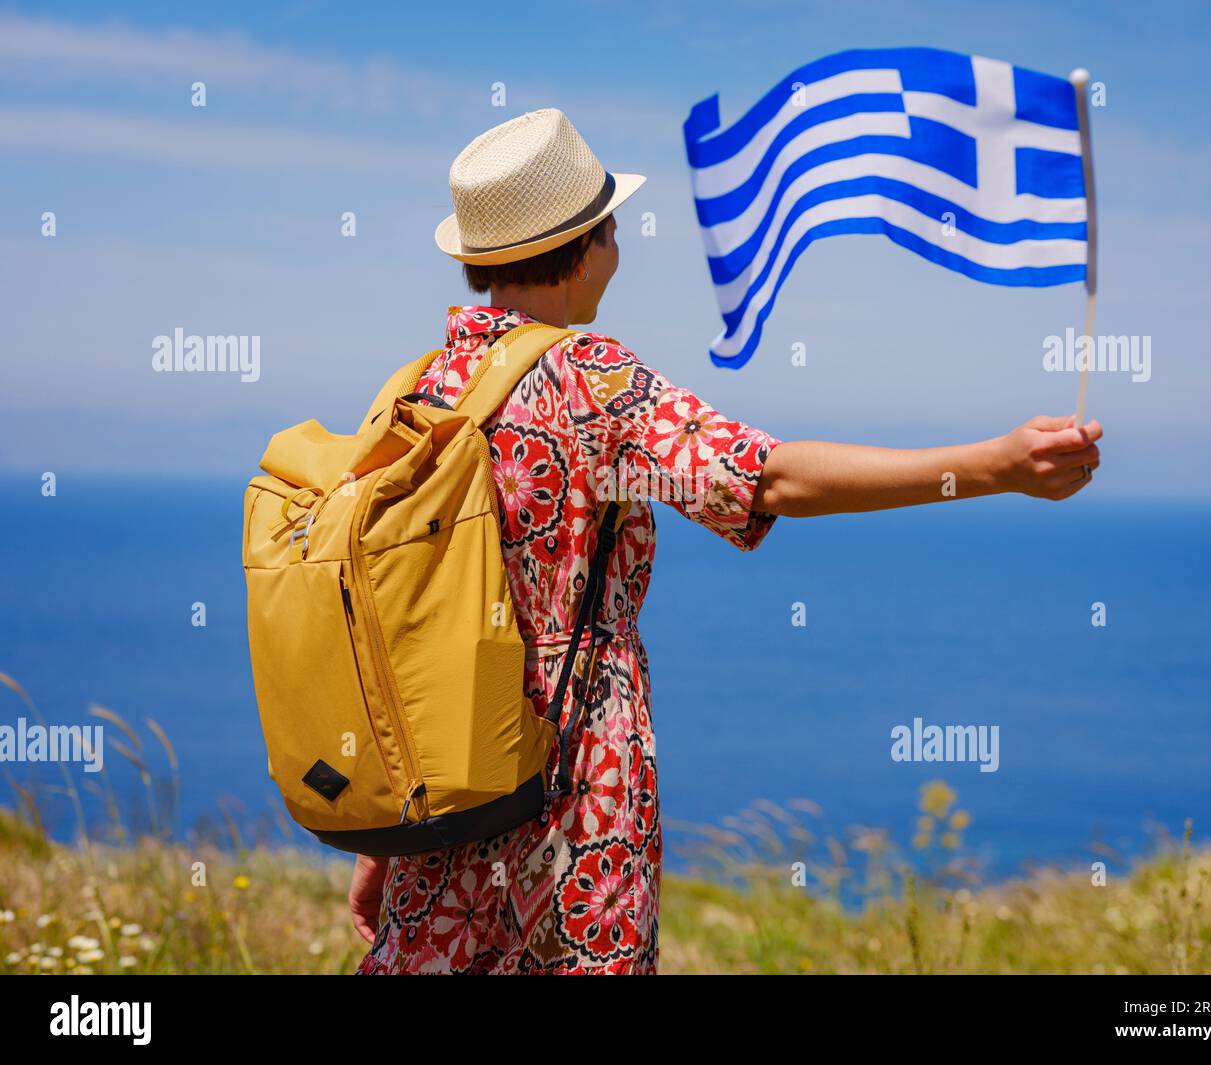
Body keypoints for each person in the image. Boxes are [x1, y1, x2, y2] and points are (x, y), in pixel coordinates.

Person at [352, 108, 1102, 975]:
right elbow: (767, 478)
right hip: (571, 775)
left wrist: (396, 824)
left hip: (448, 778)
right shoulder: (587, 383)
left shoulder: (424, 387)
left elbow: (403, 611)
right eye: (614, 228)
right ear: (589, 244)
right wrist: (992, 464)